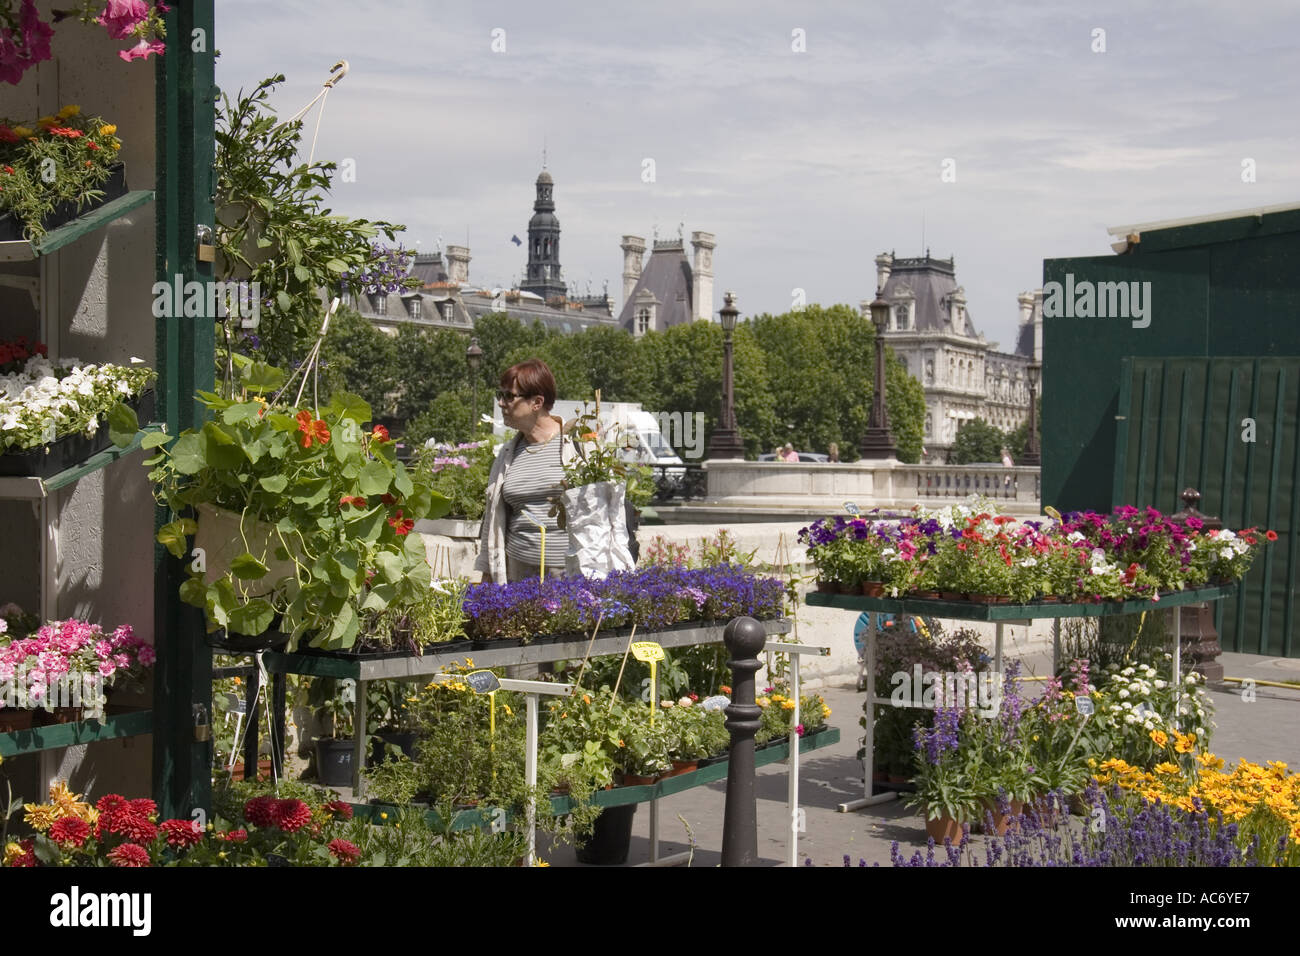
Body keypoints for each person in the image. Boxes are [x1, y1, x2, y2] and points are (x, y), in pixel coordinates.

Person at [476, 359, 576, 584]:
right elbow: (492, 518)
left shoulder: (578, 447)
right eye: (500, 394)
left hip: (568, 576)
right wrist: (487, 575)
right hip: (517, 577)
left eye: (509, 396)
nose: (501, 403)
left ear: (537, 402)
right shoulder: (507, 454)